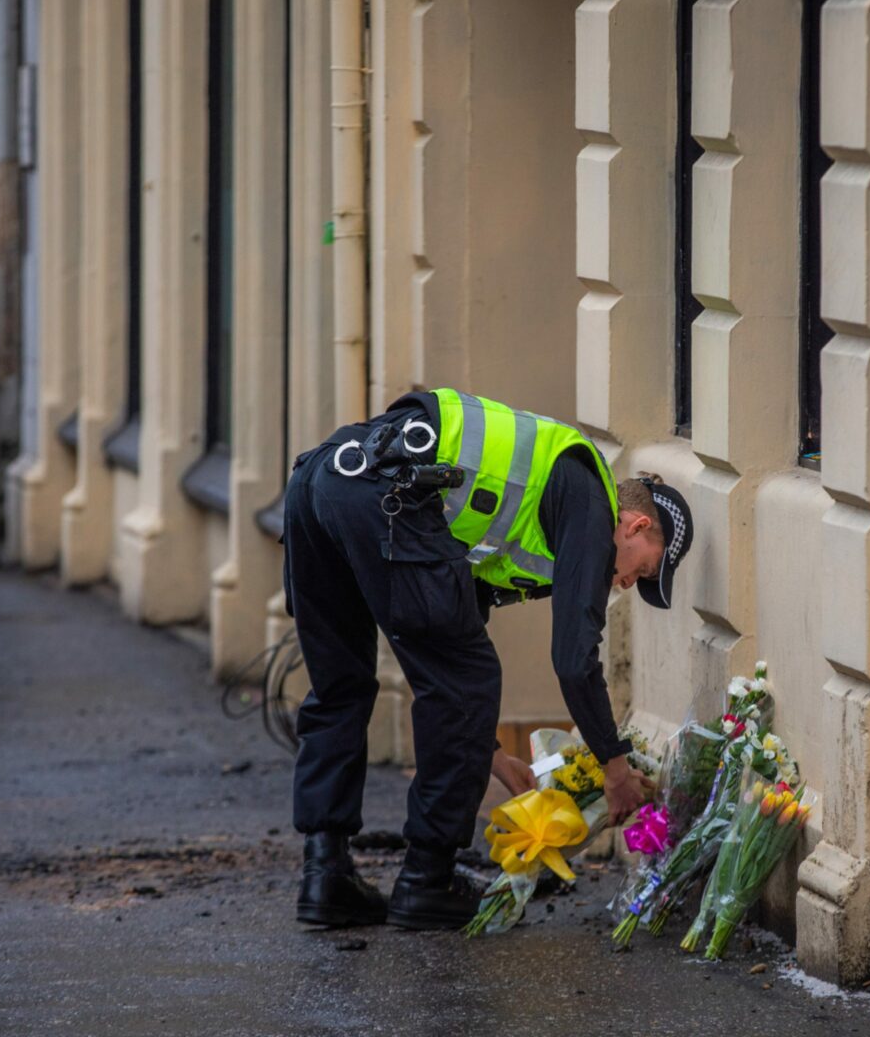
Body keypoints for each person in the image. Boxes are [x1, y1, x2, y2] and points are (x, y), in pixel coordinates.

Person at [284, 388, 694, 930]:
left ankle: (325, 872)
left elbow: (454, 630)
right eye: (641, 570)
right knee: (467, 682)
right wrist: (614, 768)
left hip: (319, 484)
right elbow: (573, 660)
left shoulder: (534, 506)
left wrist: (491, 758)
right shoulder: (590, 502)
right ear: (636, 526)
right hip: (387, 494)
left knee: (344, 685)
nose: (624, 582)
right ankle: (427, 880)